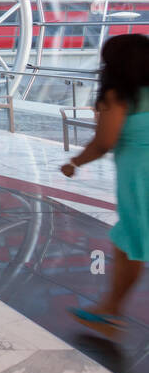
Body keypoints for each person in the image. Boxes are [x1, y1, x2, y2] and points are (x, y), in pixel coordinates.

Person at [62, 34, 149, 338]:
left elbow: (104, 142)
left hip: (140, 177)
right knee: (127, 243)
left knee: (132, 241)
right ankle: (110, 310)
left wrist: (74, 163)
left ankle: (110, 311)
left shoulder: (118, 94)